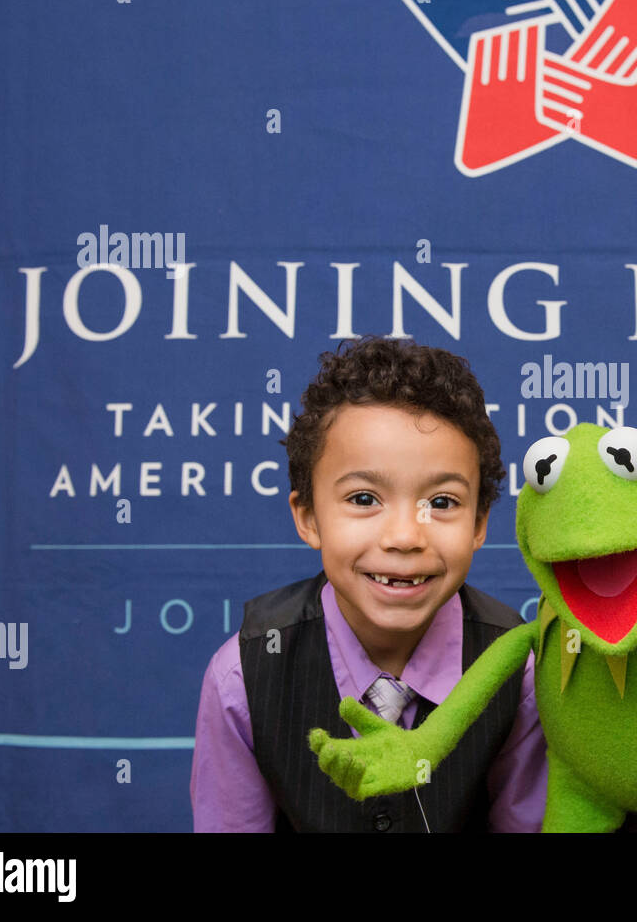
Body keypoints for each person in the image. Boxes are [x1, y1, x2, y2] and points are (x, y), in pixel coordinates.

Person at [191, 336, 546, 831]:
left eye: (442, 503)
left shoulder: (520, 675)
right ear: (309, 515)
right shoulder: (242, 678)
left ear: (480, 523)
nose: (404, 536)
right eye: (363, 498)